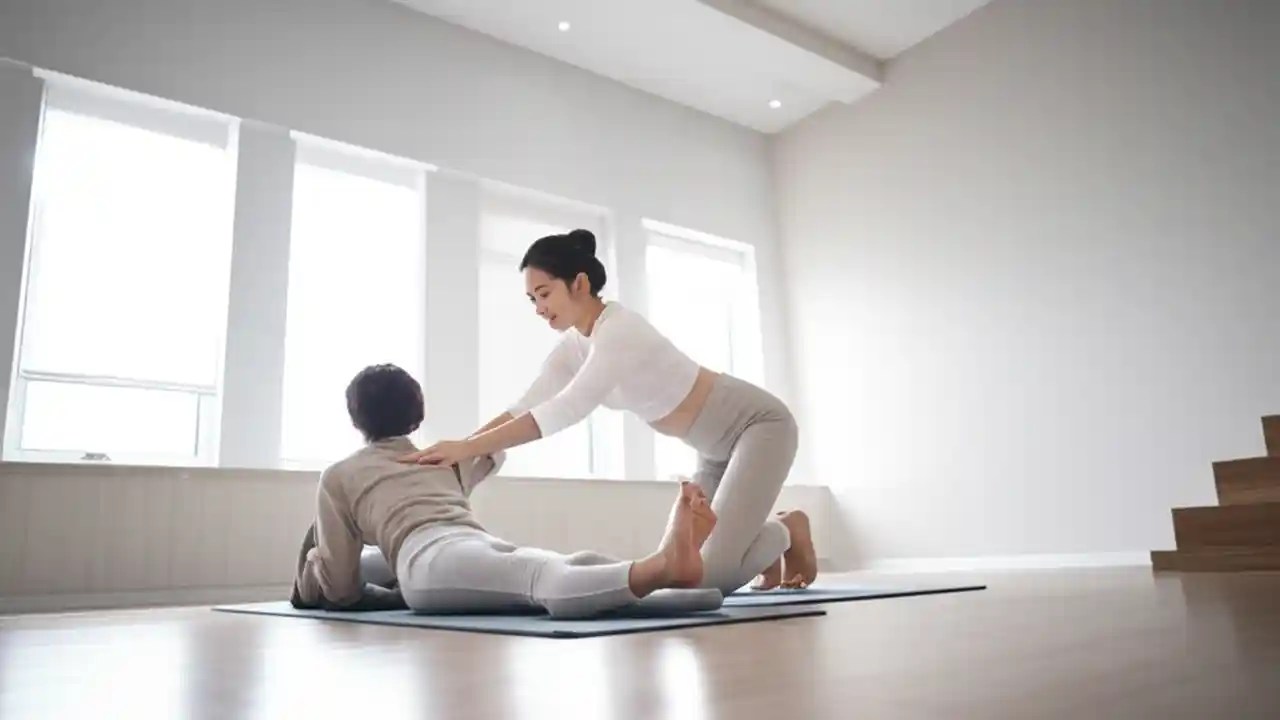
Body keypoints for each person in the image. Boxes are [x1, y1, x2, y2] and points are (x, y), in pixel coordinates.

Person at [400, 229, 817, 593]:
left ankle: (787, 528)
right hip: (711, 448)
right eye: (532, 299)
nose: (539, 308)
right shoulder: (573, 347)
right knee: (677, 571)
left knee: (704, 578)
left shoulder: (620, 330)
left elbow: (567, 408)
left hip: (758, 427)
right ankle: (756, 542)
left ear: (579, 283)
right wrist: (464, 448)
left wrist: (466, 447)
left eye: (544, 294)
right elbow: (524, 407)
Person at [290, 363, 720, 618]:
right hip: (463, 544)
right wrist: (464, 447)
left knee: (544, 571)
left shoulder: (340, 476)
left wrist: (318, 563)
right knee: (549, 567)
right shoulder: (444, 460)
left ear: (355, 419)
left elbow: (342, 590)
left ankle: (664, 572)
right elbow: (495, 451)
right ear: (416, 418)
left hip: (430, 562)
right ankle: (661, 571)